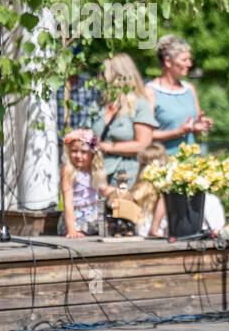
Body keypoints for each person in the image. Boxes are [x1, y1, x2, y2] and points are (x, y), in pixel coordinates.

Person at [93, 54, 158, 187]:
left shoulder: (139, 105)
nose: (99, 78)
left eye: (103, 74)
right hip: (98, 175)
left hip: (127, 176)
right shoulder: (99, 105)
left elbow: (143, 144)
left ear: (118, 76)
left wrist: (106, 147)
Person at [145, 35, 213, 155]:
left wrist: (198, 126)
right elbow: (145, 135)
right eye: (184, 60)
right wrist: (177, 132)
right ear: (168, 62)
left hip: (190, 164)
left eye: (190, 59)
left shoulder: (189, 89)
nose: (189, 64)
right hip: (162, 164)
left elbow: (193, 130)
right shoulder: (150, 92)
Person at [60, 129, 112, 237]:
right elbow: (68, 202)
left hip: (94, 212)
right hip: (75, 214)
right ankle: (78, 231)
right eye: (74, 151)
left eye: (84, 152)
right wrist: (71, 229)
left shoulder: (96, 170)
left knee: (111, 222)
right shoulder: (68, 170)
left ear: (92, 154)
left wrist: (123, 191)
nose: (78, 156)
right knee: (80, 232)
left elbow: (105, 191)